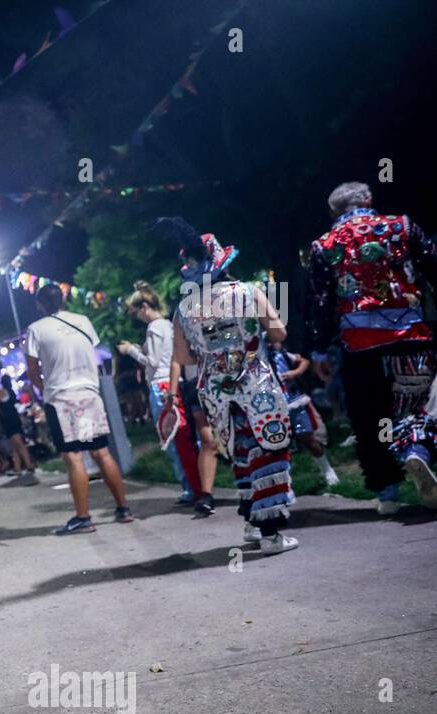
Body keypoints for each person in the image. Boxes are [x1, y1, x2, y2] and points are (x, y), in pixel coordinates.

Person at [159, 219, 298, 553]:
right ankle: (271, 534)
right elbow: (279, 334)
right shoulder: (248, 292)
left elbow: (184, 357)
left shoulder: (183, 309)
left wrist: (211, 348)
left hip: (217, 393)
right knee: (267, 449)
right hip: (256, 385)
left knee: (240, 453)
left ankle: (252, 523)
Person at [305, 181, 437, 512]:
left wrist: (320, 350)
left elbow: (320, 303)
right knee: (418, 404)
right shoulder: (401, 227)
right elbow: (433, 266)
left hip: (358, 345)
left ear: (333, 211)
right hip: (410, 337)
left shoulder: (324, 246)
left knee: (369, 418)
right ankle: (416, 451)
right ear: (369, 200)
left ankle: (387, 493)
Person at [27, 284, 135, 533]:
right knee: (101, 452)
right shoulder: (83, 321)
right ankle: (123, 509)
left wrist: (47, 388)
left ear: (40, 304)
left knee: (74, 457)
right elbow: (95, 351)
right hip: (89, 395)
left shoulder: (36, 330)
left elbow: (34, 372)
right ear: (63, 299)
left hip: (61, 399)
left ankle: (84, 518)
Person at [119, 281, 198, 504]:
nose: (136, 317)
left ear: (144, 306)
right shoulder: (167, 324)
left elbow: (151, 361)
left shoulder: (153, 328)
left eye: (136, 312)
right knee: (183, 438)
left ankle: (188, 488)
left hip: (161, 386)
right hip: (174, 382)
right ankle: (194, 485)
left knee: (172, 440)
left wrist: (131, 350)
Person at [268, 338, 340, 487]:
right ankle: (284, 480)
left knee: (308, 438)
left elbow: (304, 361)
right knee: (278, 443)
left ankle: (327, 469)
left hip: (293, 401)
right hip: (271, 407)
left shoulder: (282, 355)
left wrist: (294, 373)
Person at [0, 373, 35, 478]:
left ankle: (29, 465)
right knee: (16, 445)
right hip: (14, 417)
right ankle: (18, 468)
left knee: (18, 444)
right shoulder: (11, 392)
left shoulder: (1, 392)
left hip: (8, 420)